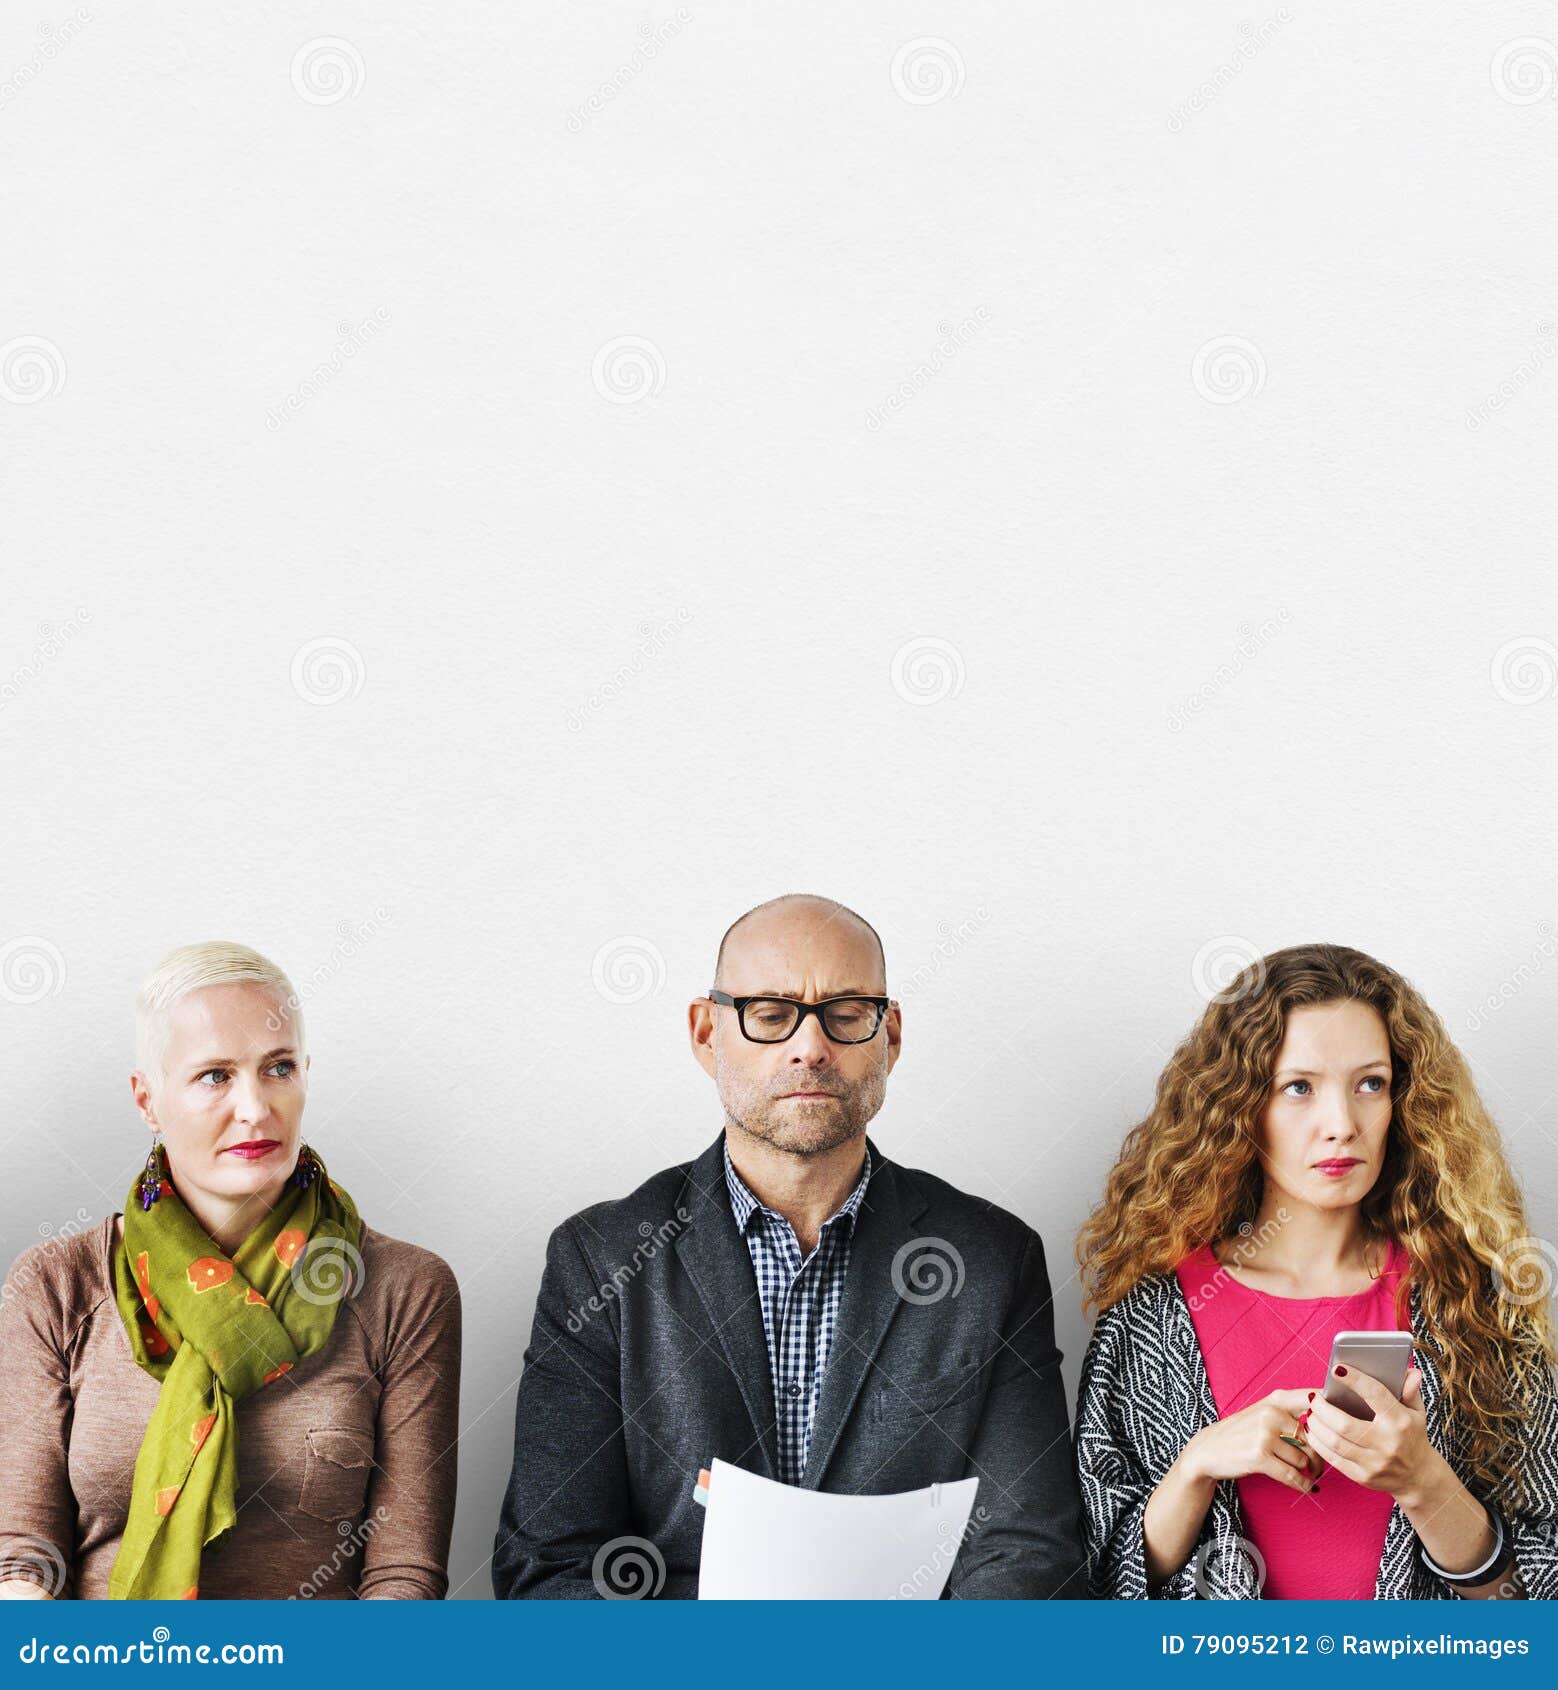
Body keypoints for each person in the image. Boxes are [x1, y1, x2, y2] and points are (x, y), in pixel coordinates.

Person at [493, 893, 1086, 1598]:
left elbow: (1029, 1554)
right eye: (771, 1015)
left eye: (846, 1013)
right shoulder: (599, 1259)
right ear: (705, 1032)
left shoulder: (991, 1259)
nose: (811, 1047)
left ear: (889, 1035)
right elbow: (551, 1569)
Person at [1074, 942, 1558, 1599]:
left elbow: (1533, 1604)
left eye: (1371, 1084)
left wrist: (1423, 1482)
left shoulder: (1470, 1302)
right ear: (1244, 1105)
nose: (1341, 1125)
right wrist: (1195, 1468)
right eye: (1299, 1087)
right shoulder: (1150, 1319)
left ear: (1402, 1100)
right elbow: (1095, 1589)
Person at [0, 941, 462, 1599]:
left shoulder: (406, 1288)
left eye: (278, 1068)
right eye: (215, 1075)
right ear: (147, 1100)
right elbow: (22, 1562)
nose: (254, 1107)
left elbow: (402, 1575)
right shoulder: (55, 1283)